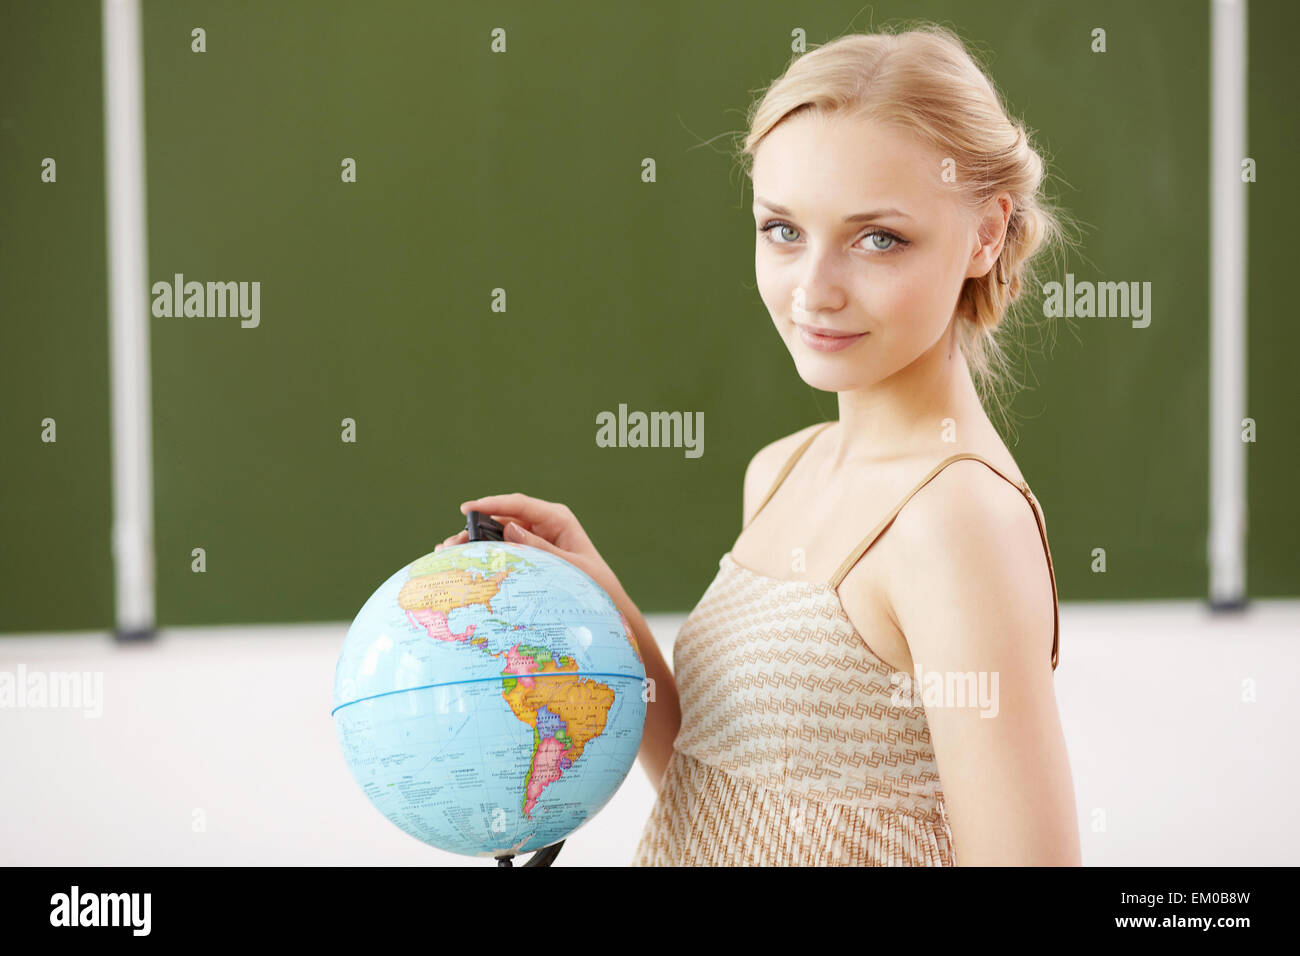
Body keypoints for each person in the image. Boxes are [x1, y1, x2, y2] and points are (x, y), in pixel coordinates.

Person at [437, 23, 1080, 866]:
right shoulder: (783, 470)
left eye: (877, 237)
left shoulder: (956, 519)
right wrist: (608, 612)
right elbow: (729, 797)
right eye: (783, 230)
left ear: (987, 235)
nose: (813, 290)